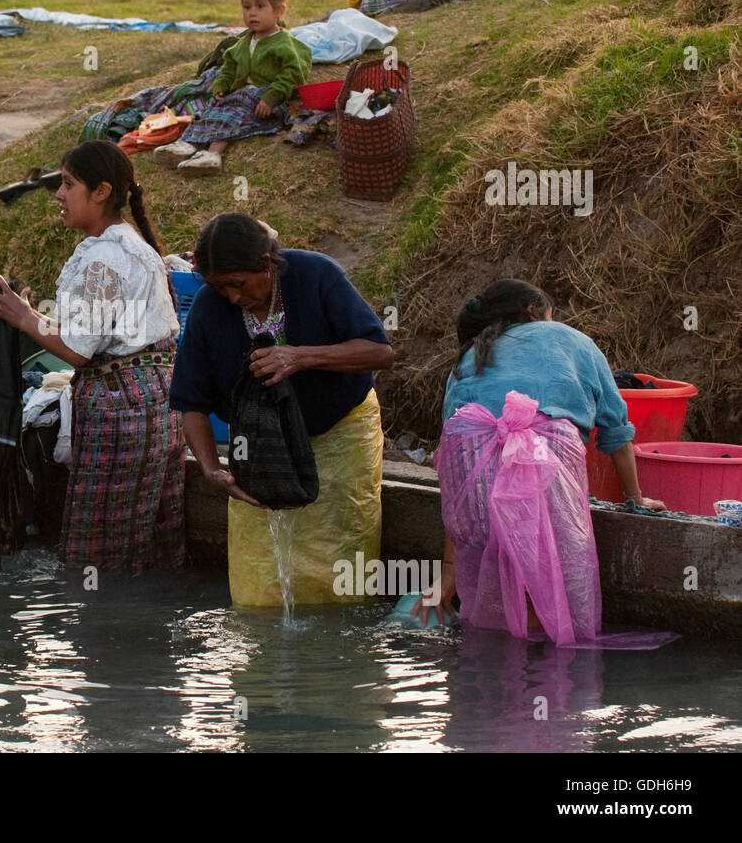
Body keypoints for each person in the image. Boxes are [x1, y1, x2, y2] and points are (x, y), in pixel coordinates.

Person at [415, 279, 667, 645]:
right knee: (552, 584)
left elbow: (457, 468)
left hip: (469, 470)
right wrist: (635, 496)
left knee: (497, 609)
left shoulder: (471, 355)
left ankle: (493, 681)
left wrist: (450, 571)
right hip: (543, 459)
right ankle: (549, 675)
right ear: (535, 312)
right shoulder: (571, 339)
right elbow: (616, 432)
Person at [0, 140, 185, 573]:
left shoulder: (104, 257)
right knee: (151, 546)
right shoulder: (130, 246)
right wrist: (30, 313)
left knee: (98, 554)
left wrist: (21, 317)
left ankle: (97, 634)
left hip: (120, 408)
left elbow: (76, 349)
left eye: (69, 184)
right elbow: (94, 333)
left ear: (102, 191)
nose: (58, 194)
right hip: (157, 400)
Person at [169, 213, 394, 607]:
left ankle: (334, 657)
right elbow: (191, 400)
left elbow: (379, 352)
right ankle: (266, 654)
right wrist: (209, 467)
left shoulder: (315, 275)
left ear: (267, 263)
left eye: (239, 284)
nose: (233, 298)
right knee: (260, 576)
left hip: (340, 435)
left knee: (340, 563)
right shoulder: (209, 306)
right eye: (221, 288)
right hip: (260, 449)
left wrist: (301, 357)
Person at [152, 0, 312, 176]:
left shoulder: (283, 44)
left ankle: (213, 154)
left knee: (233, 113)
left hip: (267, 101)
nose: (252, 13)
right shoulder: (244, 42)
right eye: (247, 7)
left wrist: (272, 96)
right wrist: (221, 86)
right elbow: (229, 67)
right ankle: (187, 145)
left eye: (260, 6)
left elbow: (294, 74)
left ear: (279, 10)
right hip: (243, 95)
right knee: (213, 109)